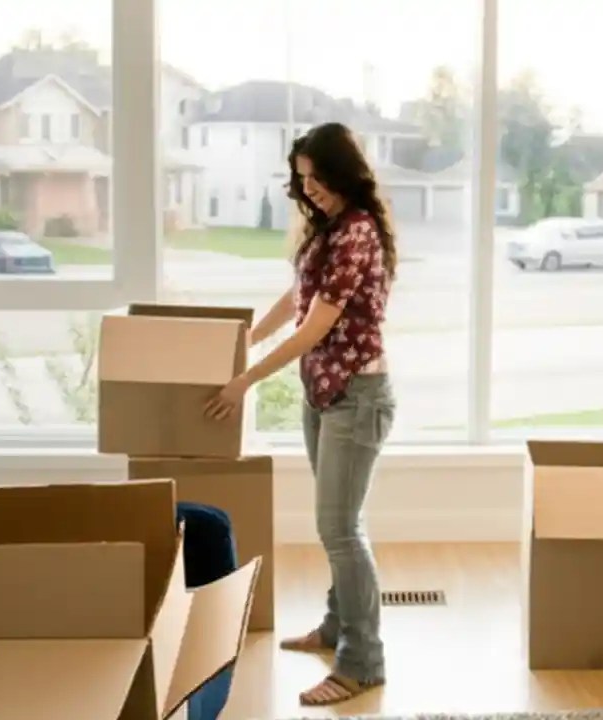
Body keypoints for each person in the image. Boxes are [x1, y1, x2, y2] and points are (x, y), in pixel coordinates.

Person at [202, 121, 398, 707]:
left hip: (358, 398)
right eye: (301, 178)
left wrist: (245, 380)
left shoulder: (357, 232)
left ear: (341, 172)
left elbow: (317, 323)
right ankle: (337, 628)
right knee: (341, 526)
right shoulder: (329, 229)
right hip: (327, 395)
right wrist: (247, 336)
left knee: (340, 530)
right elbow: (297, 296)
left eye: (314, 177)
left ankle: (363, 662)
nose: (306, 188)